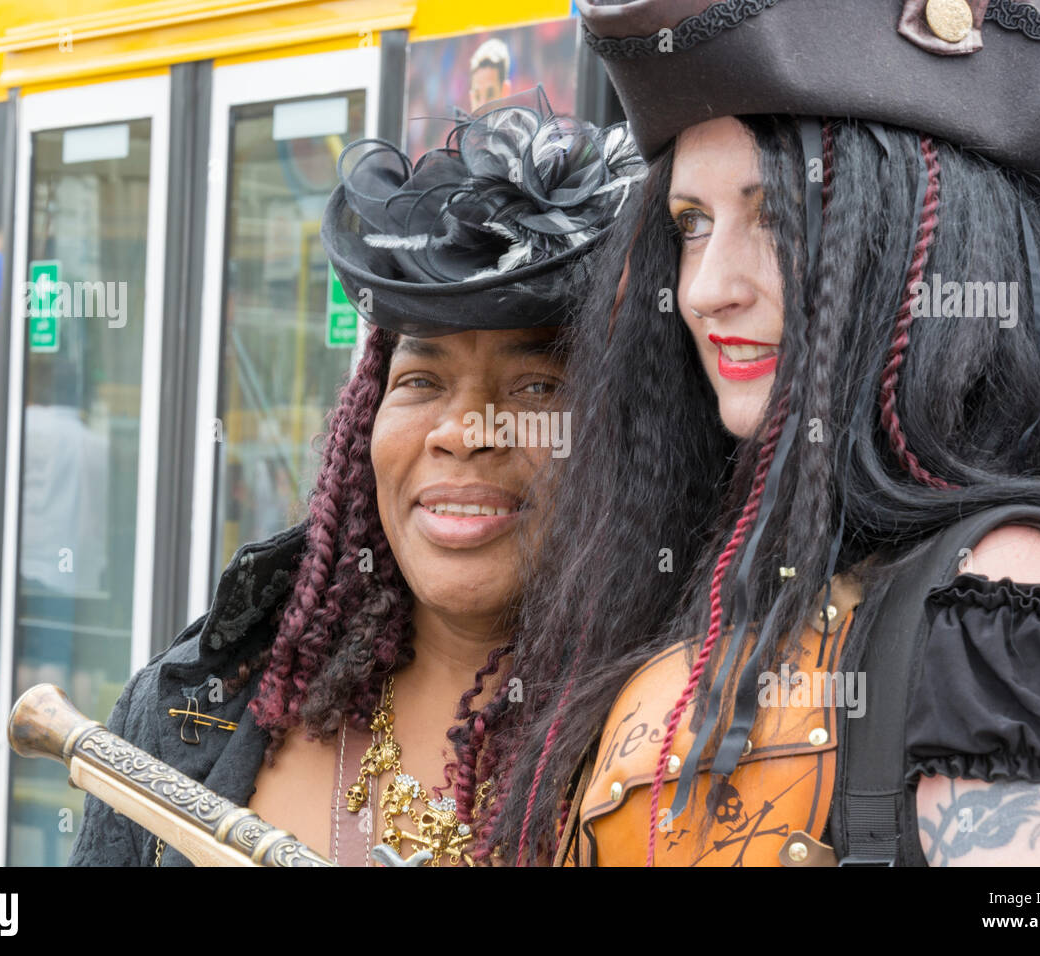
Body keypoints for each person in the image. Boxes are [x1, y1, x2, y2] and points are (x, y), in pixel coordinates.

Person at [481, 0, 1040, 867]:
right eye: (691, 224)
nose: (705, 289)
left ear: (936, 244)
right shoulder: (724, 567)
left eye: (773, 214)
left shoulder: (1010, 612)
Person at [67, 95, 643, 866]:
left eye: (538, 388)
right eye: (422, 381)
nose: (462, 433)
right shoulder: (193, 713)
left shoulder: (691, 741)